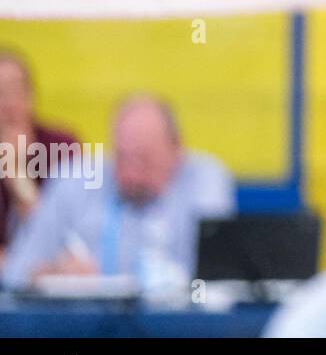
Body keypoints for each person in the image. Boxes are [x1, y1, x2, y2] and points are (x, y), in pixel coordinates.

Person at [1, 93, 235, 289]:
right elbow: (16, 274)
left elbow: (220, 284)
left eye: (144, 160)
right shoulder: (77, 180)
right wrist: (54, 276)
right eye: (122, 158)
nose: (131, 174)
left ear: (176, 149)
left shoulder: (203, 181)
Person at [0, 50, 79, 271]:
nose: (8, 104)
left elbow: (65, 236)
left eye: (15, 90)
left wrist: (17, 176)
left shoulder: (62, 147)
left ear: (30, 95)